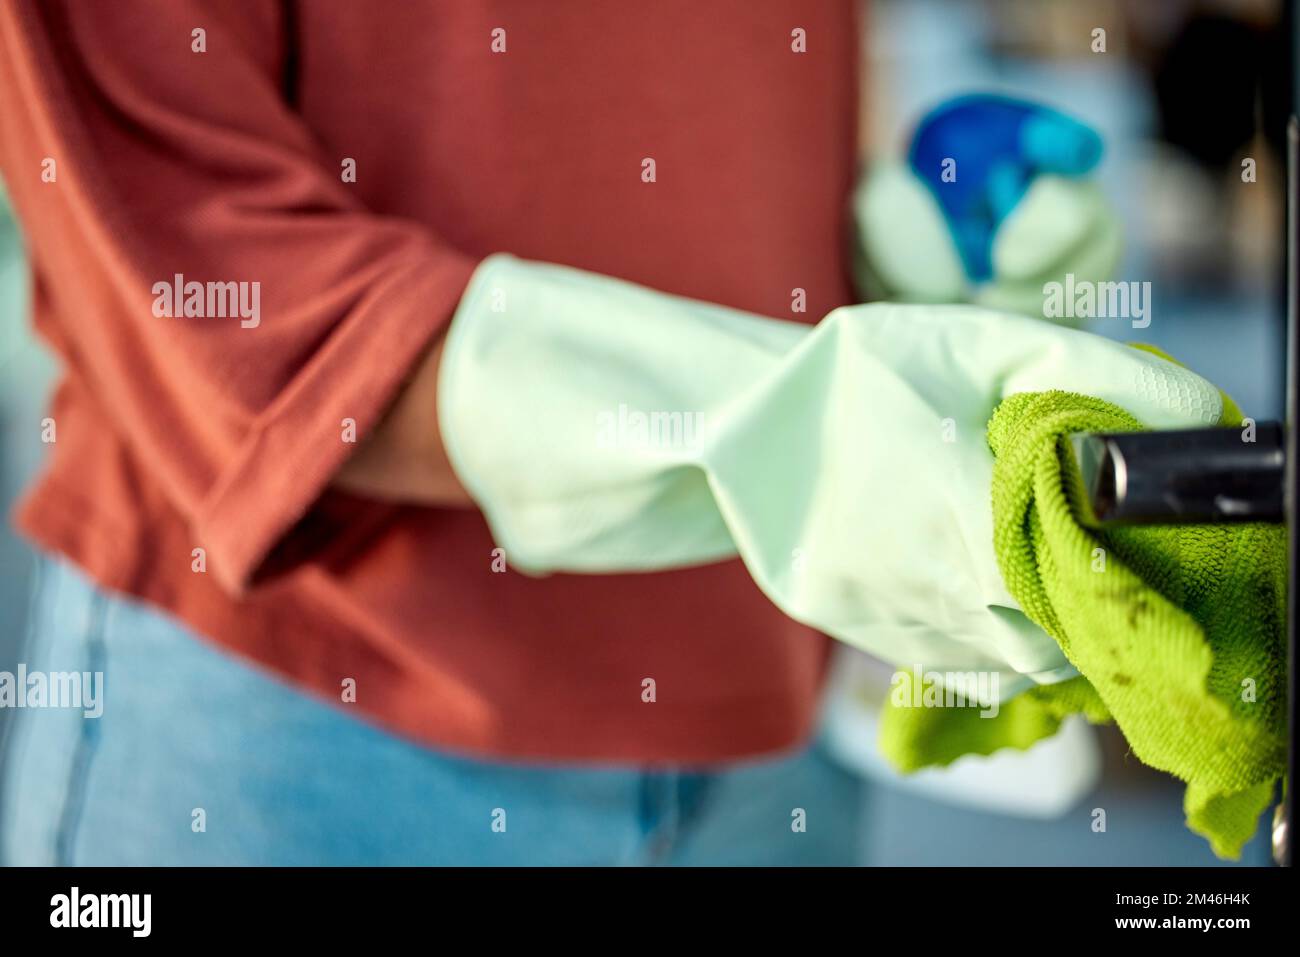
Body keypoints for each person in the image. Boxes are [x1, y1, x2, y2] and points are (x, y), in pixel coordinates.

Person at [0, 1, 1217, 865]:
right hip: (304, 731)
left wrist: (889, 258)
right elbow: (207, 266)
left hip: (762, 740)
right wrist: (759, 429)